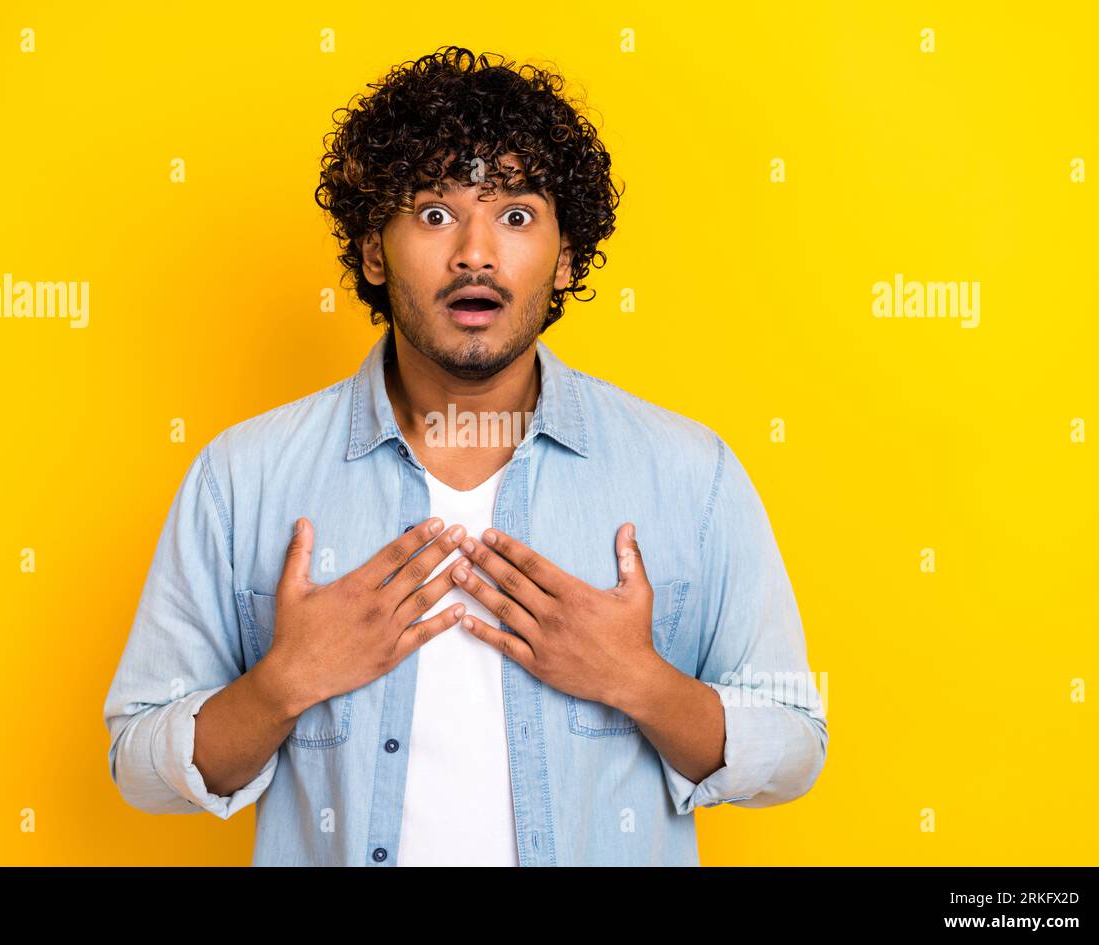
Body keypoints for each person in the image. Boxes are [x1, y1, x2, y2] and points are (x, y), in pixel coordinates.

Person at [103, 45, 827, 866]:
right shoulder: (243, 476)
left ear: (563, 259)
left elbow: (795, 742)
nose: (475, 254)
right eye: (435, 213)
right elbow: (140, 767)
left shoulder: (689, 473)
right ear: (374, 251)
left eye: (516, 215)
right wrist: (282, 683)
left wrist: (641, 682)